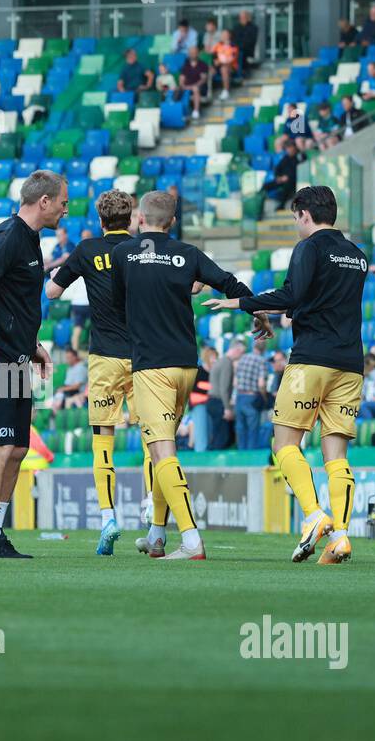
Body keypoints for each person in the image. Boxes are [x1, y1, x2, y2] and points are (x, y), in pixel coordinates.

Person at [207, 185, 367, 565]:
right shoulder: (357, 256)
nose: (297, 224)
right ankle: (341, 537)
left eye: (296, 217)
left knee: (285, 443)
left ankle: (313, 515)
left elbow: (292, 295)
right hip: (351, 363)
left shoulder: (309, 248)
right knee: (337, 454)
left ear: (304, 215)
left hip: (312, 359)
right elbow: (324, 302)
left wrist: (240, 302)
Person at [114, 189, 269, 561]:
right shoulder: (187, 255)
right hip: (186, 365)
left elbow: (123, 302)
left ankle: (191, 539)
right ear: (172, 222)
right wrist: (258, 312)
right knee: (160, 450)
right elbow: (230, 282)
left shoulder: (122, 254)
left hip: (151, 367)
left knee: (162, 451)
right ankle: (155, 534)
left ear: (139, 219)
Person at [0, 170, 66, 559]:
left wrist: (34, 345)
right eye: (62, 202)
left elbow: (15, 301)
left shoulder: (31, 240)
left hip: (17, 357)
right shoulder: (8, 235)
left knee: (19, 448)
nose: (64, 209)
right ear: (44, 201)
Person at [45, 192, 136, 553]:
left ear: (101, 220)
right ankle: (151, 512)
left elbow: (52, 293)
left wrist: (57, 272)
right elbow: (190, 285)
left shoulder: (86, 250)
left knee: (103, 439)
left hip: (103, 358)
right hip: (144, 357)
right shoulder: (145, 249)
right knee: (152, 436)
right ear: (130, 219)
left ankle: (108, 517)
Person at [233, 336, 269, 449]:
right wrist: (265, 397)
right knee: (252, 428)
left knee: (240, 427)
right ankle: (250, 454)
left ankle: (241, 453)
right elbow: (261, 384)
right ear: (264, 349)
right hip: (251, 398)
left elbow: (235, 382)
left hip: (239, 396)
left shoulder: (242, 358)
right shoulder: (261, 361)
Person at [262, 137, 301, 211]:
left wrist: (287, 177)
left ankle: (281, 205)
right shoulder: (286, 158)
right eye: (287, 148)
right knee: (265, 186)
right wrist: (278, 177)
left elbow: (299, 171)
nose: (289, 150)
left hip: (293, 181)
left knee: (287, 186)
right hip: (282, 180)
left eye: (290, 147)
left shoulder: (299, 157)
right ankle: (260, 209)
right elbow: (278, 168)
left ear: (294, 148)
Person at [179, 46, 210, 121]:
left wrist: (194, 86)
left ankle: (196, 111)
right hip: (187, 87)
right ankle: (180, 114)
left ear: (198, 54)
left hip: (200, 87)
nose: (192, 54)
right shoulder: (185, 65)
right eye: (191, 53)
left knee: (195, 89)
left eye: (194, 53)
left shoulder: (202, 65)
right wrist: (183, 86)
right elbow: (181, 79)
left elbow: (203, 79)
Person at [212, 30, 239, 101]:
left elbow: (231, 59)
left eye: (225, 34)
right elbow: (214, 57)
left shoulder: (233, 45)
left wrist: (220, 62)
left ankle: (225, 91)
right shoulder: (217, 45)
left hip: (230, 67)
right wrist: (215, 63)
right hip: (218, 66)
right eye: (222, 34)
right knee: (208, 69)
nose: (223, 36)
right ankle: (207, 93)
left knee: (224, 69)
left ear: (229, 36)